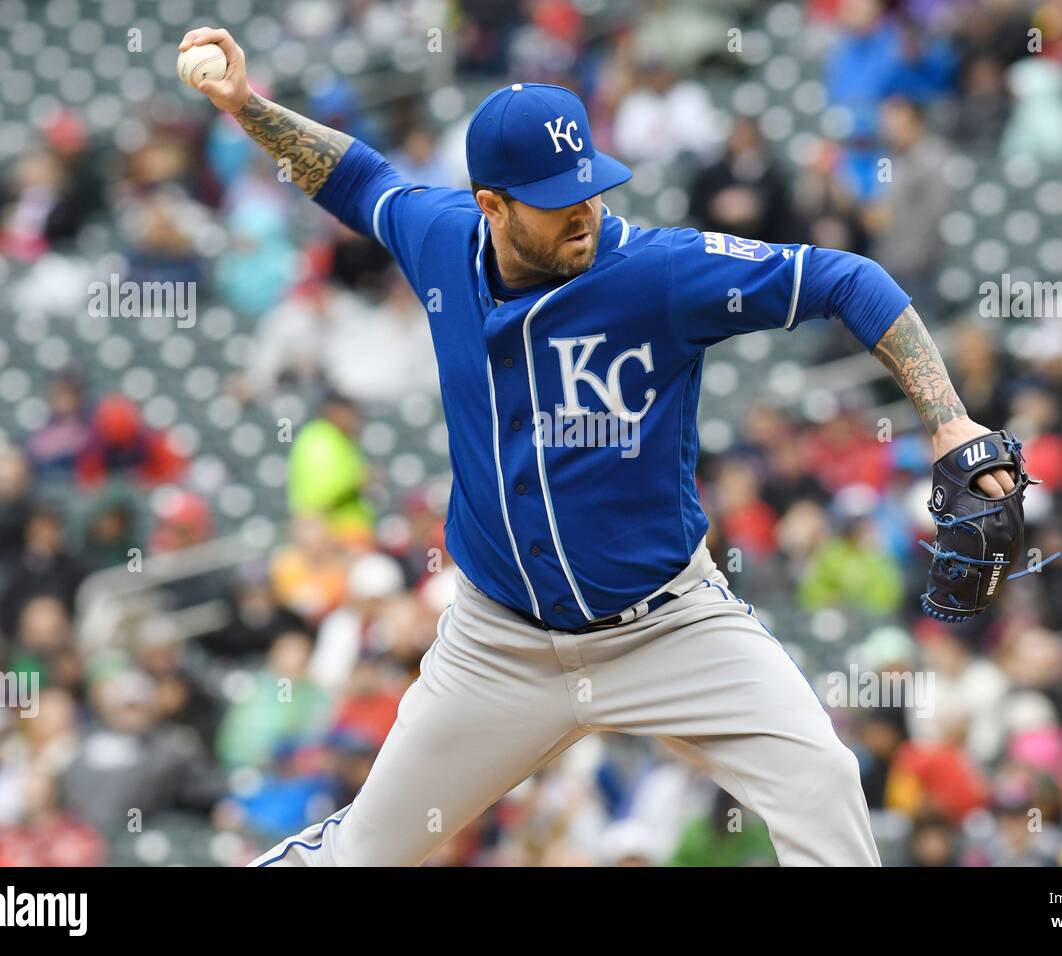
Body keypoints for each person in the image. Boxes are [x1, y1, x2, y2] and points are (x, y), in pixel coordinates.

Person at [179, 26, 1019, 868]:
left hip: (669, 626)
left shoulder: (657, 272)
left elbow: (848, 280)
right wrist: (246, 106)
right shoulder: (439, 236)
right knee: (361, 852)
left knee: (823, 783)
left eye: (587, 182)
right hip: (497, 644)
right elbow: (359, 178)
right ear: (492, 206)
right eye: (554, 196)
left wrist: (947, 418)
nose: (583, 207)